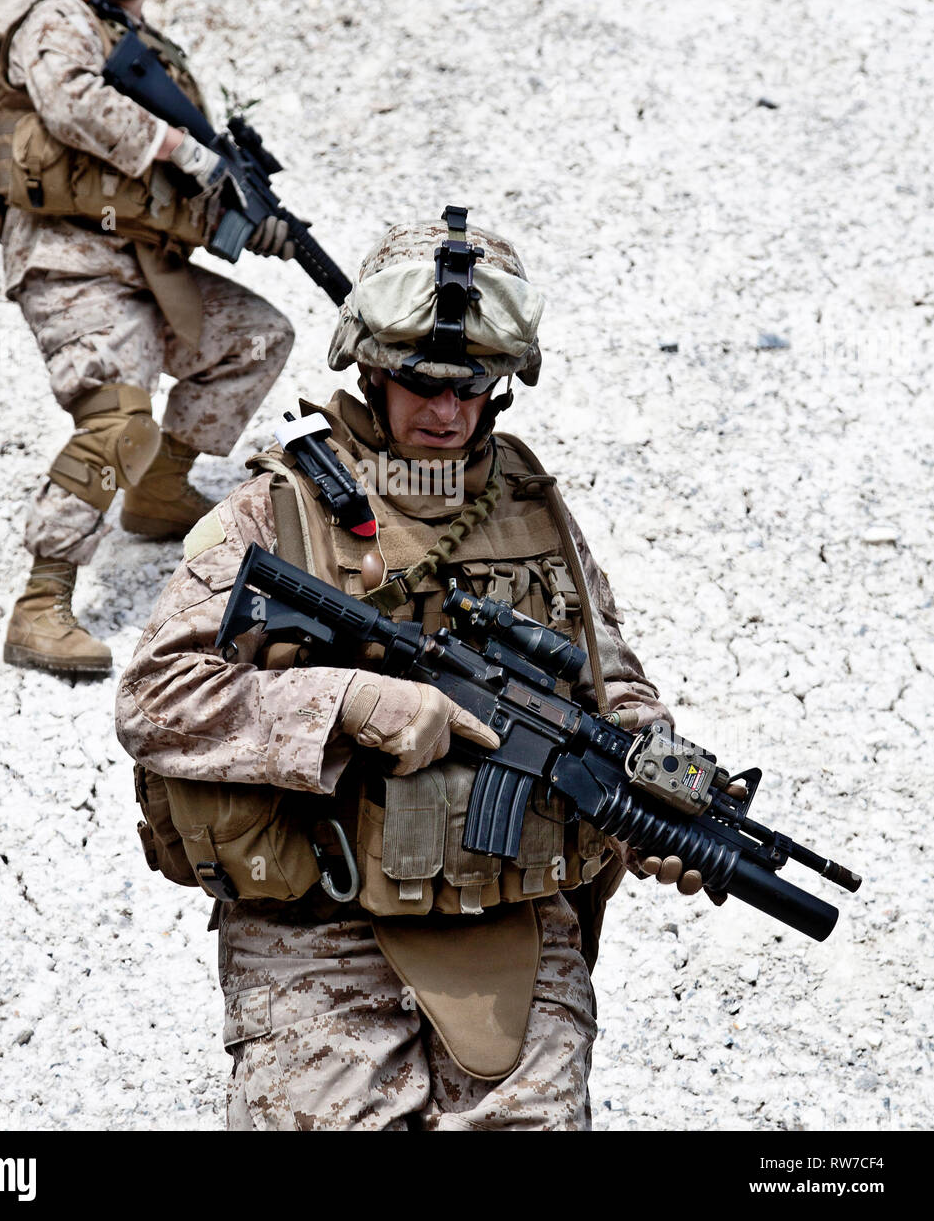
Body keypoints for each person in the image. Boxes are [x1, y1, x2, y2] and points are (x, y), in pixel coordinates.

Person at [115, 209, 702, 1131]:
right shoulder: (282, 510)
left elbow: (608, 689)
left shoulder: (529, 505)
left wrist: (655, 795)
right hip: (318, 922)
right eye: (421, 384)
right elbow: (156, 699)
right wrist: (345, 701)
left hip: (506, 916)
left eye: (472, 389)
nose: (446, 413)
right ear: (370, 369)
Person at [0, 0, 295, 675]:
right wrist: (184, 148)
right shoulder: (58, 21)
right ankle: (40, 606)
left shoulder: (161, 53)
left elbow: (185, 190)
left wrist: (253, 225)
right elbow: (73, 104)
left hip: (147, 266)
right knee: (116, 419)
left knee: (256, 335)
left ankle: (158, 493)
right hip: (68, 261)